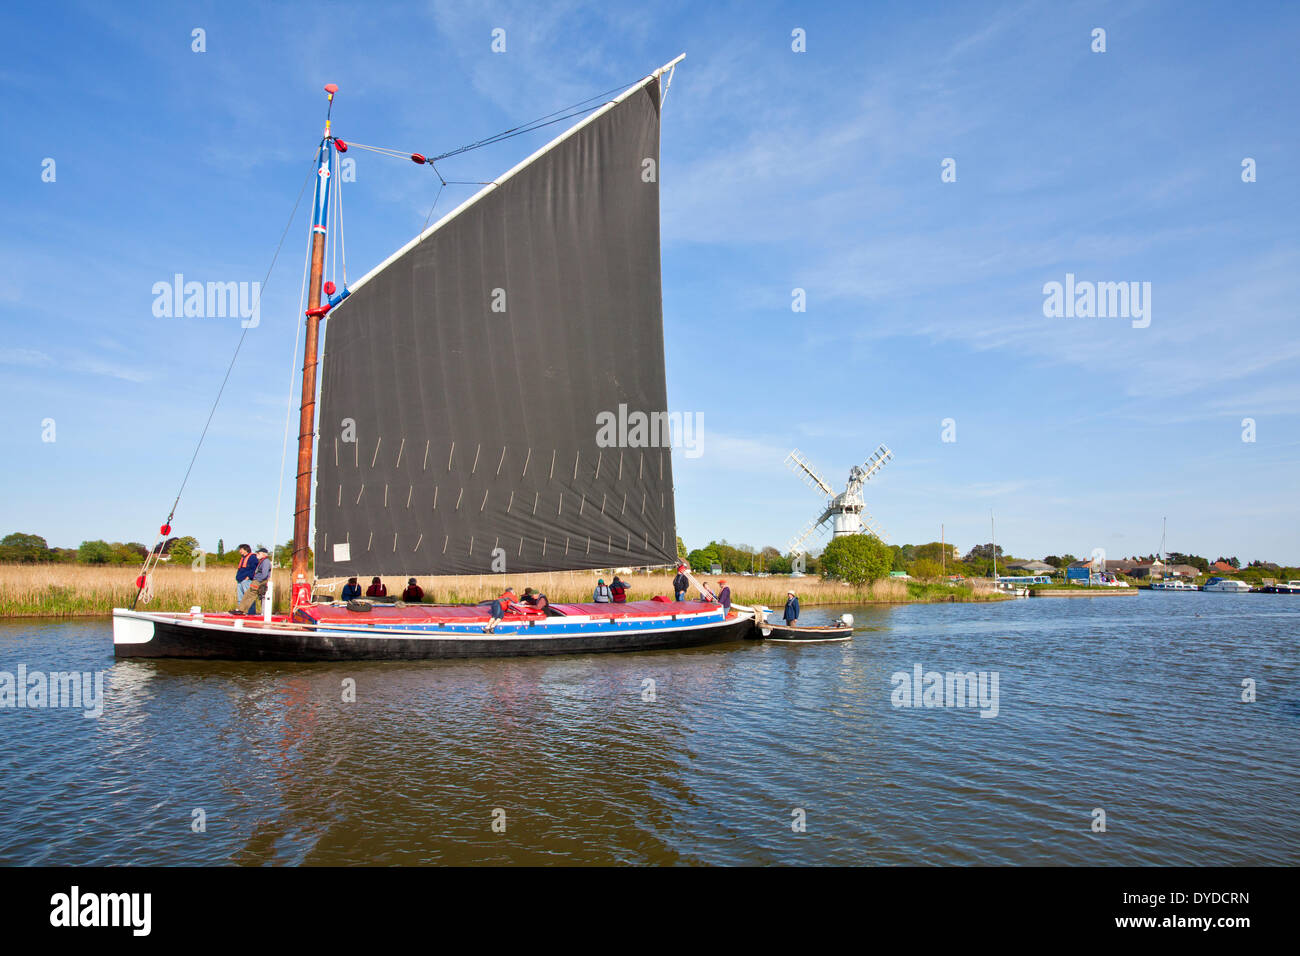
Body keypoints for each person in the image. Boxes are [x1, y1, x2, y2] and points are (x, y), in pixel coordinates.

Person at [235, 547, 272, 615]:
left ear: (263, 554)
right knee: (248, 594)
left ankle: (244, 611)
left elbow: (264, 574)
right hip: (257, 580)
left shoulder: (266, 561)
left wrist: (258, 580)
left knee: (250, 595)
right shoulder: (262, 561)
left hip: (258, 581)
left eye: (258, 553)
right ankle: (241, 610)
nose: (257, 554)